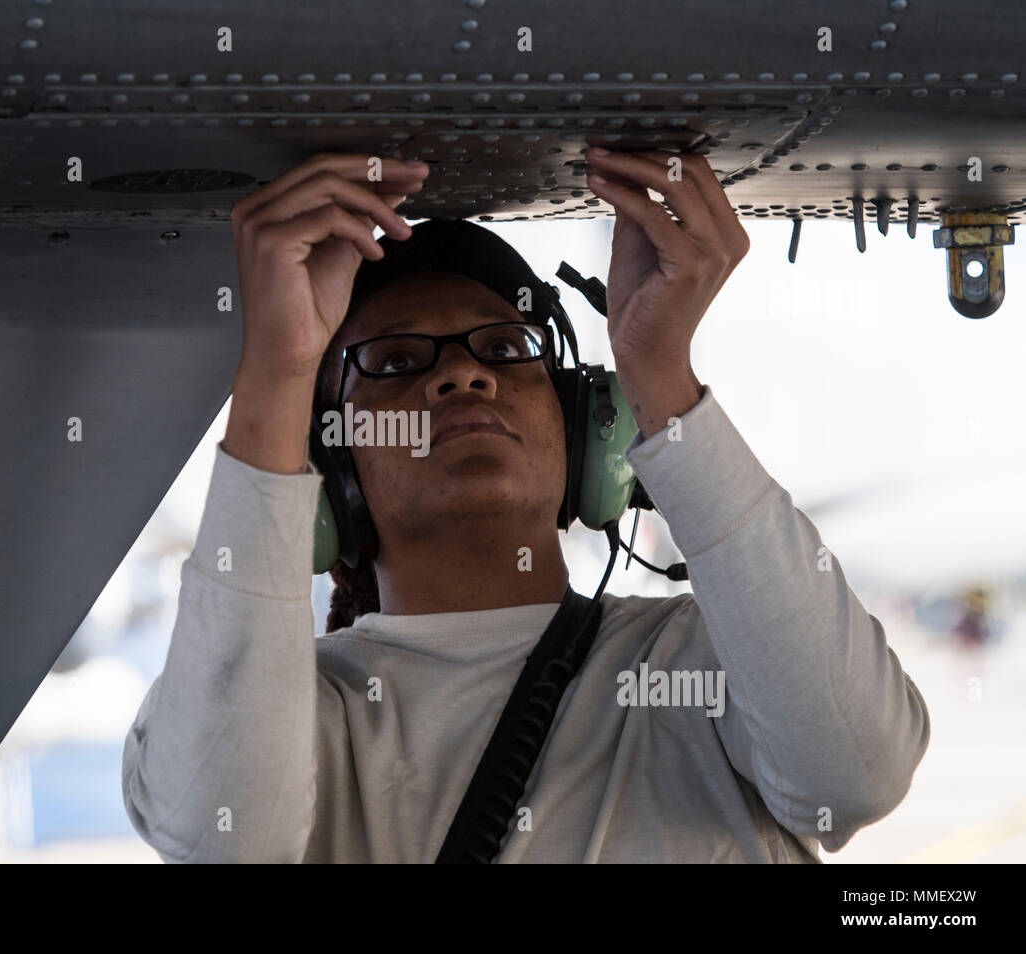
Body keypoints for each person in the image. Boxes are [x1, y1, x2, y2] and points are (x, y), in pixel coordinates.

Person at [121, 149, 931, 862]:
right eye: (396, 361)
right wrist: (276, 372)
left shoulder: (701, 663)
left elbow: (857, 772)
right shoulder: (296, 718)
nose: (463, 376)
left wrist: (661, 374)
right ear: (332, 469)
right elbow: (225, 837)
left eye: (505, 350)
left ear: (585, 431)